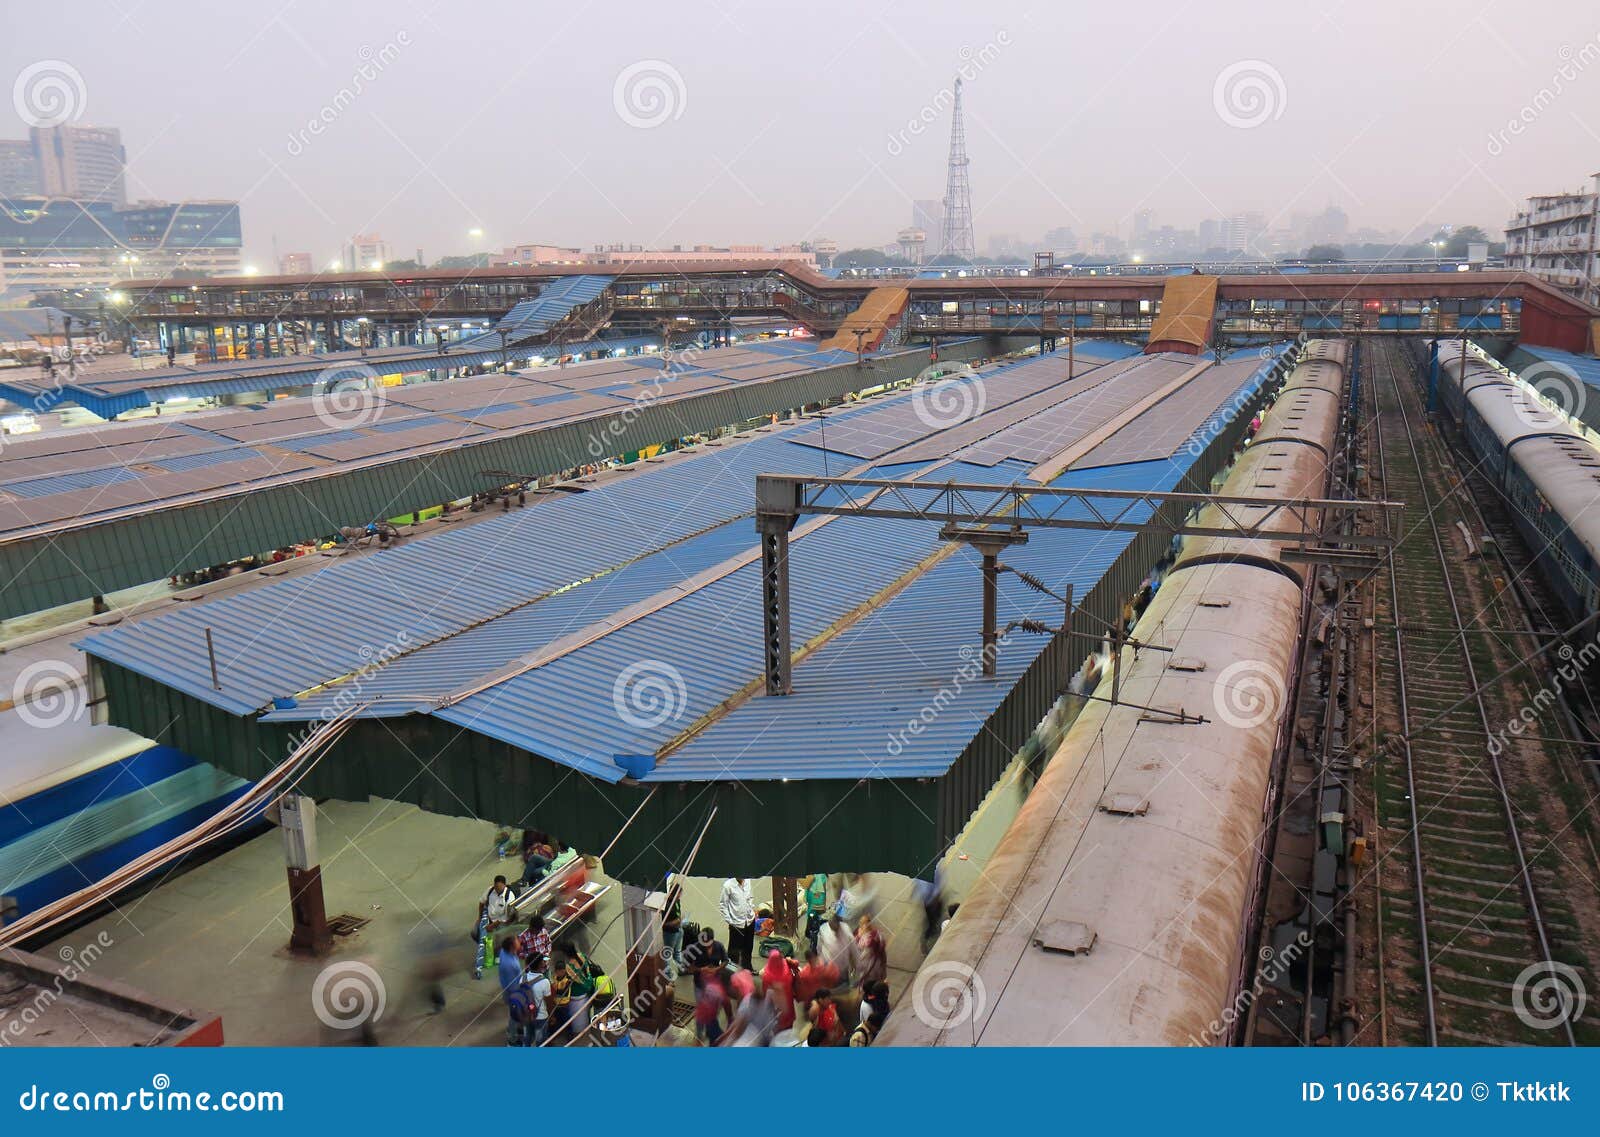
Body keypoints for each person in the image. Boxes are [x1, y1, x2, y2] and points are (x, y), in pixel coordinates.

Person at [474, 875, 517, 979]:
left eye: (499, 887)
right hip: (488, 916)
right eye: (496, 887)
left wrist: (493, 925)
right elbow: (481, 902)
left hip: (502, 921)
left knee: (499, 935)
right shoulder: (490, 891)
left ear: (504, 885)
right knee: (477, 934)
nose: (497, 889)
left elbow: (507, 917)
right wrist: (480, 918)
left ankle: (498, 954)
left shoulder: (509, 896)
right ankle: (479, 965)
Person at [497, 935, 531, 1046]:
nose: (520, 942)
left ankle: (518, 1028)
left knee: (516, 1015)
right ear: (512, 947)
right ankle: (512, 1039)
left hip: (507, 987)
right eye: (517, 942)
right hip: (514, 993)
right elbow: (513, 986)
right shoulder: (510, 965)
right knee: (515, 1016)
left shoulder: (504, 952)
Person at [719, 876, 755, 970]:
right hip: (736, 923)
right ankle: (732, 971)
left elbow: (750, 896)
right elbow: (723, 905)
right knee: (734, 949)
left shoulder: (748, 881)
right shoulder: (728, 886)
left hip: (749, 921)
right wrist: (730, 921)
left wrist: (751, 908)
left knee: (748, 946)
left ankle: (747, 967)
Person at [760, 948, 796, 1034]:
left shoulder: (767, 975)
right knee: (788, 1024)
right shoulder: (785, 964)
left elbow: (765, 992)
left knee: (776, 1025)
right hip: (788, 1002)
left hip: (774, 1006)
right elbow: (796, 964)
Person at [695, 964, 732, 1045]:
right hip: (709, 1020)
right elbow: (729, 1012)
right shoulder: (721, 994)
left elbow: (704, 973)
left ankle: (701, 1039)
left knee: (709, 1035)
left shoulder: (711, 981)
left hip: (702, 1015)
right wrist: (730, 1022)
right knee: (718, 1039)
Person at [818, 911, 857, 985]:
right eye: (831, 926)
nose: (833, 929)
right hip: (830, 968)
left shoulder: (846, 929)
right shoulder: (823, 930)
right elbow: (819, 948)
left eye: (835, 927)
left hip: (843, 968)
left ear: (839, 923)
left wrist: (853, 963)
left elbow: (852, 948)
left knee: (844, 985)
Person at [524, 953, 554, 1047]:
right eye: (543, 961)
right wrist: (551, 1016)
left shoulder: (523, 978)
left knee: (527, 1037)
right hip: (540, 1017)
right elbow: (549, 1002)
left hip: (526, 1015)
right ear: (540, 964)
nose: (545, 963)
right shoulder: (545, 982)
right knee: (540, 1041)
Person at [661, 875, 685, 978]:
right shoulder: (667, 906)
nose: (680, 897)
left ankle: (681, 969)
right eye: (679, 894)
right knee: (667, 954)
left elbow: (678, 913)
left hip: (678, 930)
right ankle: (668, 975)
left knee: (677, 952)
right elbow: (663, 923)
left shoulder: (677, 901)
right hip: (669, 933)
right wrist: (677, 921)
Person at [855, 913, 888, 987]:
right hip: (879, 964)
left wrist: (859, 937)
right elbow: (883, 949)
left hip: (870, 967)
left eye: (862, 924)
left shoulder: (866, 940)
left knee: (871, 985)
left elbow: (862, 956)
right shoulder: (878, 933)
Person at [802, 873, 828, 951]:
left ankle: (808, 932)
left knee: (811, 914)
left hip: (812, 896)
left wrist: (806, 896)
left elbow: (807, 886)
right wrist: (824, 902)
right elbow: (824, 889)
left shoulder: (810, 874)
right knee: (818, 916)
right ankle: (815, 933)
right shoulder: (822, 875)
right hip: (819, 898)